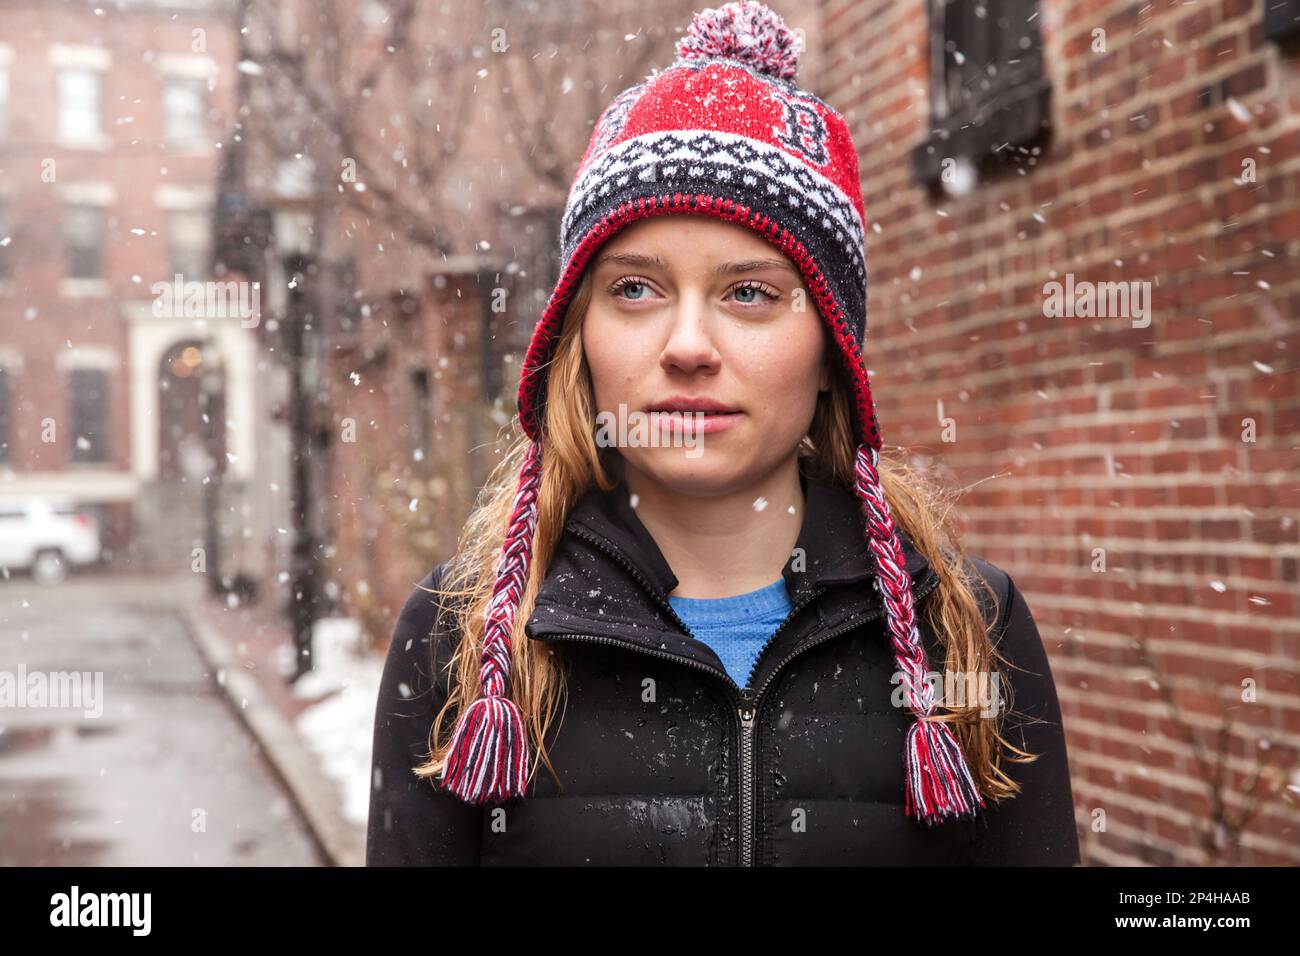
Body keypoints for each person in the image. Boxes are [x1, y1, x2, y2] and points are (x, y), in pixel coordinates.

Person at [366, 0, 1079, 866]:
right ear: (577, 338)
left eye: (750, 292)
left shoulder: (966, 627)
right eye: (635, 289)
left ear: (830, 355)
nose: (689, 347)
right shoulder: (467, 638)